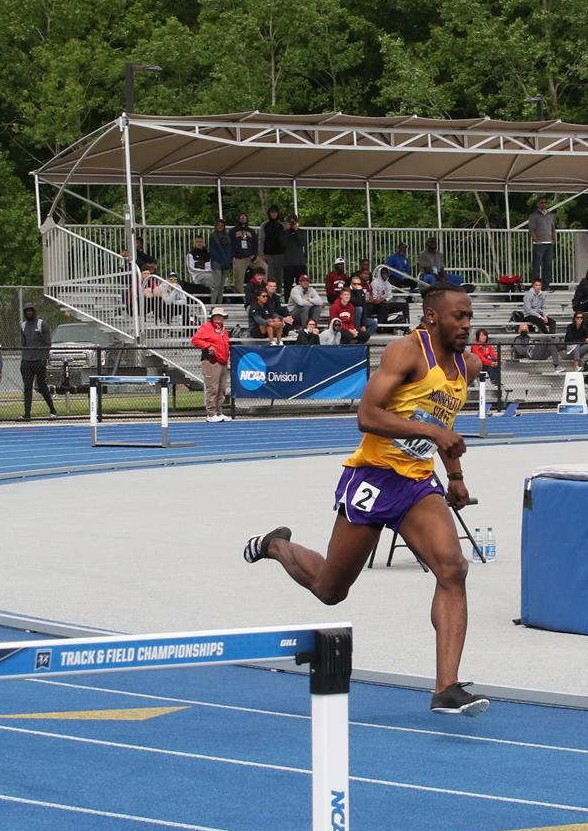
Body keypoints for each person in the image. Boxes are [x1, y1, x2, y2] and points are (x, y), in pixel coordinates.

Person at [243, 282, 486, 716]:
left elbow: (443, 422)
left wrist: (456, 476)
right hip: (373, 477)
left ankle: (446, 688)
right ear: (432, 317)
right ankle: (275, 545)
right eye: (459, 317)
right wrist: (432, 434)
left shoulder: (465, 366)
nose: (467, 325)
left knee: (453, 568)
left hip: (415, 483)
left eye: (470, 316)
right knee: (330, 590)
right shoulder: (405, 352)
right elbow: (367, 416)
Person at [192, 305, 232, 422]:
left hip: (222, 361)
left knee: (222, 388)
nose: (219, 318)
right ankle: (211, 413)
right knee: (212, 388)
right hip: (211, 361)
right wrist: (208, 346)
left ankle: (219, 412)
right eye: (217, 316)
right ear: (213, 317)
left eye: (221, 316)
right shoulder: (206, 327)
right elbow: (195, 340)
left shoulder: (222, 330)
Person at [20, 304, 57, 419]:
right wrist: (23, 359)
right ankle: (27, 414)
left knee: (42, 386)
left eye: (31, 310)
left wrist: (43, 358)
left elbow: (47, 343)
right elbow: (23, 343)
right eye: (27, 311)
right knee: (27, 388)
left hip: (39, 361)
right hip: (27, 361)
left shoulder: (42, 324)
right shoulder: (23, 325)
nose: (29, 312)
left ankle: (53, 410)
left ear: (34, 311)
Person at [227, 212, 260, 295]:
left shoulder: (251, 231)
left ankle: (262, 290)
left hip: (251, 258)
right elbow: (228, 245)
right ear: (238, 219)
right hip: (238, 259)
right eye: (241, 217)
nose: (243, 219)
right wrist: (232, 257)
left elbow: (256, 244)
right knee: (239, 279)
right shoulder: (232, 231)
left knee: (264, 267)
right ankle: (241, 297)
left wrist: (255, 255)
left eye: (245, 217)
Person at [527, 195, 556, 286]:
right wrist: (536, 240)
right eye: (541, 202)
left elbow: (553, 229)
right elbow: (531, 230)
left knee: (547, 265)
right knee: (537, 266)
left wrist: (554, 239)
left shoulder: (550, 215)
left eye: (545, 202)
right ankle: (536, 285)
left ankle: (546, 285)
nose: (544, 204)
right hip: (539, 244)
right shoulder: (533, 215)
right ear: (538, 204)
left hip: (549, 243)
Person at [205, 218, 234, 304]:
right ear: (215, 226)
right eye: (218, 225)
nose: (220, 227)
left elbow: (230, 250)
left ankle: (220, 303)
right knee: (217, 284)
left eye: (222, 225)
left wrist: (228, 260)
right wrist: (222, 260)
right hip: (217, 263)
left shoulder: (227, 236)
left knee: (222, 285)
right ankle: (213, 304)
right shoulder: (213, 236)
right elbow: (213, 252)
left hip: (226, 263)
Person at [279, 215, 309, 292]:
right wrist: (287, 230)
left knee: (302, 284)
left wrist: (296, 230)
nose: (292, 224)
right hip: (288, 263)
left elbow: (302, 242)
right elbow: (283, 244)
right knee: (288, 285)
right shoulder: (284, 233)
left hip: (299, 262)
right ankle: (287, 301)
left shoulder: (302, 231)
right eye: (290, 222)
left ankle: (302, 300)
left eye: (294, 222)